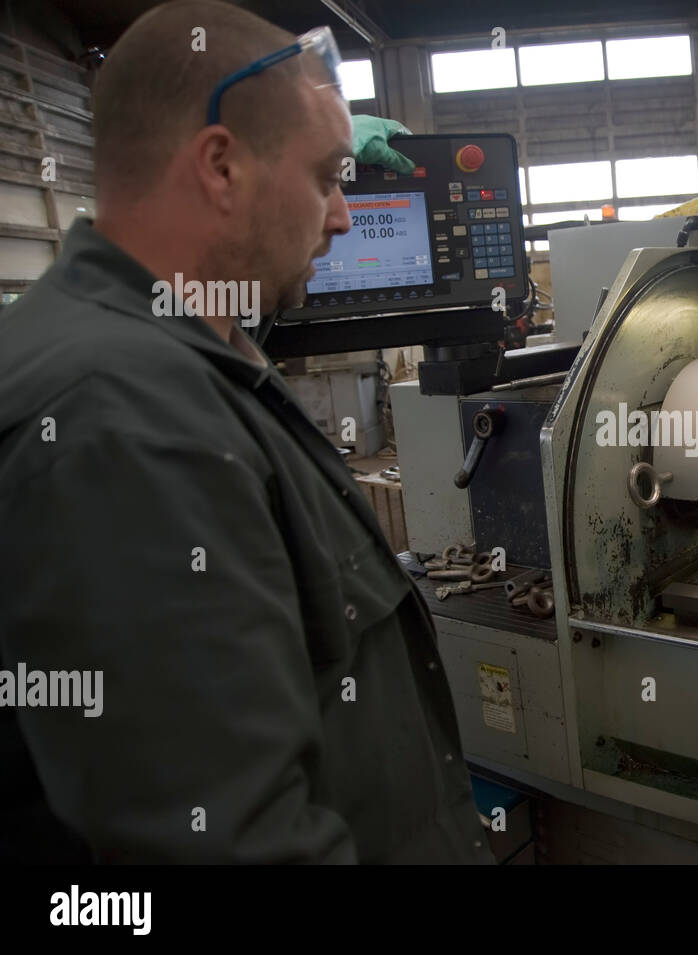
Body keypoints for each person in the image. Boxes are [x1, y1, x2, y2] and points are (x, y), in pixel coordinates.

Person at [0, 0, 492, 863]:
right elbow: (228, 840)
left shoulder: (188, 354)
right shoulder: (124, 423)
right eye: (326, 176)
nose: (342, 217)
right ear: (221, 168)